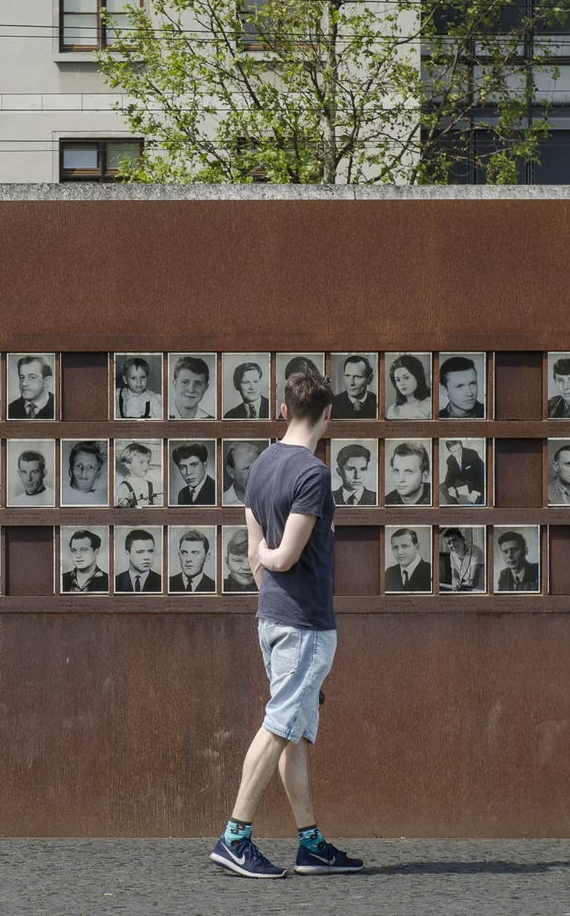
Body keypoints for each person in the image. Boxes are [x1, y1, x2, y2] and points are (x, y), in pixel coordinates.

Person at [211, 368, 361, 879]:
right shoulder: (313, 473)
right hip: (304, 623)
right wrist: (274, 562)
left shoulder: (261, 465)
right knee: (279, 726)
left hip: (273, 615)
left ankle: (310, 844)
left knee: (293, 730)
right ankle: (235, 837)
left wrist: (266, 571)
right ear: (328, 414)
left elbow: (255, 546)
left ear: (282, 410)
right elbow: (286, 553)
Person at [329, 355, 377, 420]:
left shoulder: (377, 403)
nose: (351, 383)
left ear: (370, 379)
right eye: (347, 376)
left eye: (357, 377)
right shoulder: (332, 404)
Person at [114, 442, 160, 508]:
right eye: (141, 462)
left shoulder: (152, 485)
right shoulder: (123, 488)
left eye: (148, 462)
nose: (146, 465)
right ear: (128, 464)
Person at [383, 528, 431, 592]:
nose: (399, 552)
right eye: (395, 547)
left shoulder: (431, 571)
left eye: (404, 546)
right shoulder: (390, 572)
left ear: (417, 548)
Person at [114, 529, 161, 593]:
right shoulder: (115, 582)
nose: (147, 557)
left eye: (150, 551)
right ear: (127, 555)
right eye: (140, 552)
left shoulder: (161, 581)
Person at [8, 355, 55, 419]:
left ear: (46, 381)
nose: (24, 383)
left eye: (32, 377)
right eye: (22, 377)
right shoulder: (10, 409)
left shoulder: (59, 407)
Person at [384, 355, 431, 420]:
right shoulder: (392, 410)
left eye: (406, 378)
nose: (401, 383)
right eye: (398, 380)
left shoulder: (430, 405)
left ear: (418, 377)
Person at [62, 440, 108, 505]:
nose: (84, 471)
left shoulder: (104, 500)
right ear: (70, 471)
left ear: (97, 474)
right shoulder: (61, 496)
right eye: (78, 465)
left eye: (91, 467)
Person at [438, 527, 484, 592]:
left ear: (463, 539)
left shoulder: (476, 551)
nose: (452, 545)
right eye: (449, 543)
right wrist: (456, 585)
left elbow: (473, 582)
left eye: (454, 540)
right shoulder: (452, 555)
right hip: (464, 589)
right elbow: (455, 577)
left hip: (480, 589)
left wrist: (459, 585)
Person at [385, 441, 431, 506]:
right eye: (396, 471)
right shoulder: (387, 501)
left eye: (409, 472)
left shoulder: (436, 497)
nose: (400, 479)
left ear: (424, 476)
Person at [171, 441, 216, 506]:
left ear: (205, 466)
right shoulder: (182, 494)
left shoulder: (217, 490)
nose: (188, 473)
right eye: (183, 467)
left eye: (194, 465)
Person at [440, 439, 483, 505]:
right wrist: (450, 487)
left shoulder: (472, 454)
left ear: (461, 446)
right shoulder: (449, 460)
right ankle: (453, 505)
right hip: (461, 478)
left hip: (474, 480)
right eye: (454, 451)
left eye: (459, 448)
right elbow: (449, 475)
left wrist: (475, 491)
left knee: (475, 502)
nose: (459, 453)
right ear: (450, 452)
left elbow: (480, 473)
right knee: (443, 487)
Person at [223, 441, 261, 507]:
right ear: (231, 472)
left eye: (258, 467)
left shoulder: (270, 498)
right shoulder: (223, 501)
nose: (255, 474)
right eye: (248, 468)